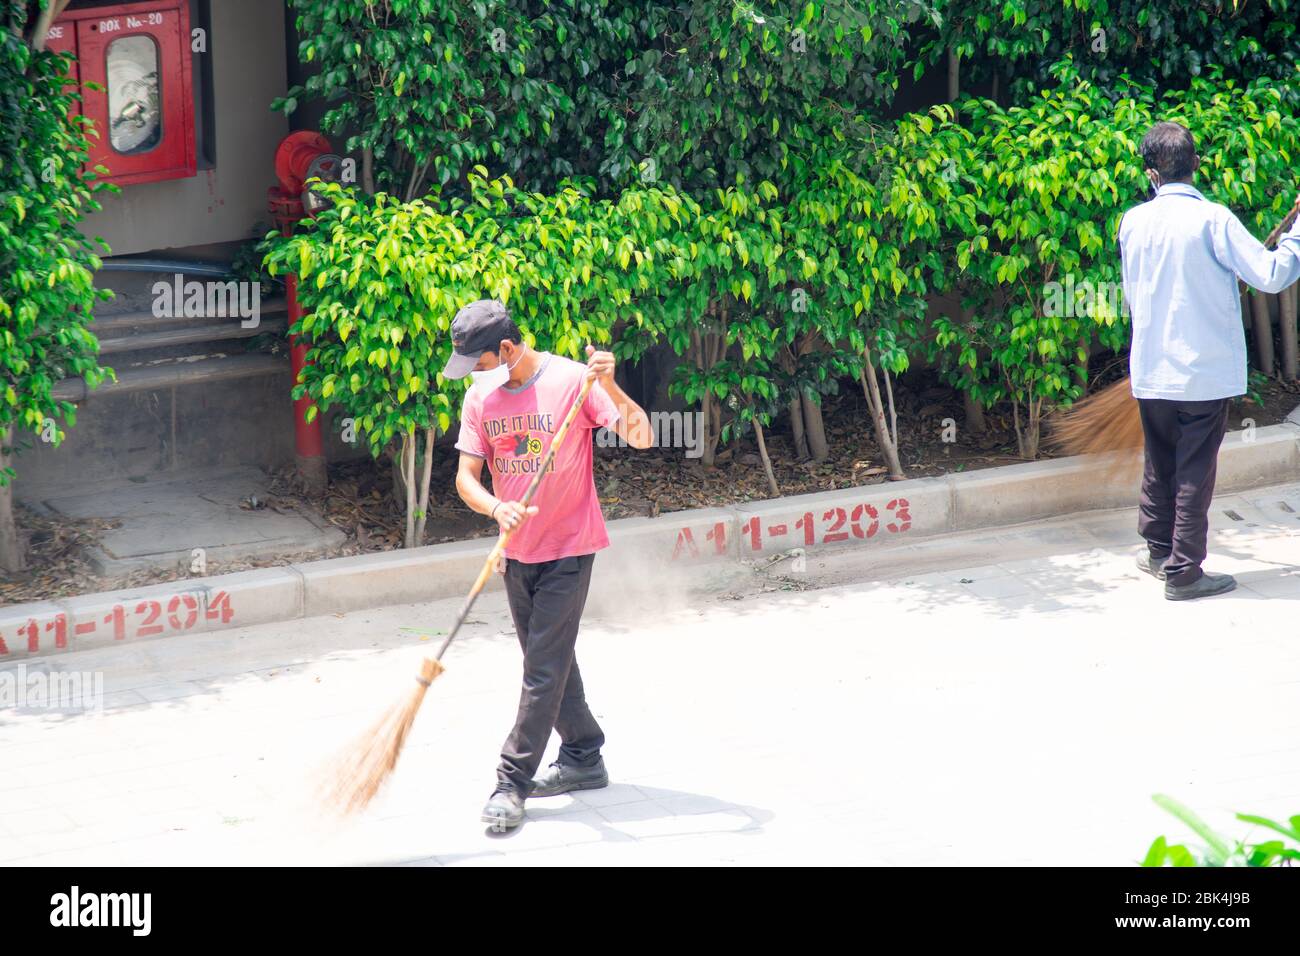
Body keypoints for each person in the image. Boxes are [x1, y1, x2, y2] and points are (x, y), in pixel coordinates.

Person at [443, 299, 654, 829]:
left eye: (481, 362)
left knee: (541, 668)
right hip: (516, 554)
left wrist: (609, 384)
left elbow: (641, 435)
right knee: (553, 662)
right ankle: (583, 755)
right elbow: (466, 480)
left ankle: (510, 781)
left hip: (569, 548)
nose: (475, 375)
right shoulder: (479, 398)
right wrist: (495, 506)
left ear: (508, 349)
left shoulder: (572, 382)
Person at [1119, 121, 1300, 600]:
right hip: (1201, 373)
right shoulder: (1213, 220)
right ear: (1196, 166)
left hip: (1151, 368)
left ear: (1150, 173)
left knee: (1161, 461)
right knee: (1194, 468)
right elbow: (1271, 274)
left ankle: (1159, 552)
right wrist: (1298, 234)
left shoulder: (1132, 222)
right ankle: (1183, 573)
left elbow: (1131, 296)